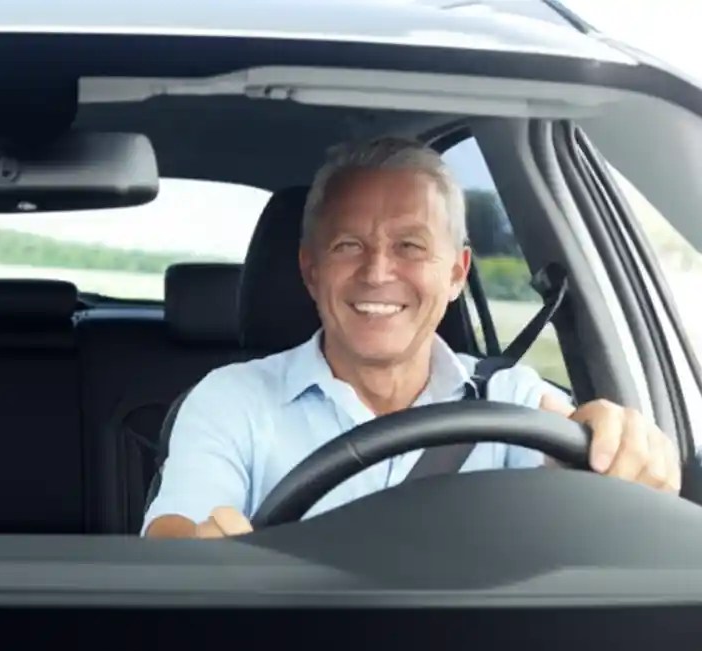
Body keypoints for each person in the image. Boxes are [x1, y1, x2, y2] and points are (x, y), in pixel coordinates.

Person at [143, 137, 681, 539]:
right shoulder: (232, 399)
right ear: (311, 272)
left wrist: (614, 444)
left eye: (410, 246)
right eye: (349, 245)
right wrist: (198, 548)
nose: (377, 272)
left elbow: (577, 457)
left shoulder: (511, 400)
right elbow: (173, 532)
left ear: (455, 273)